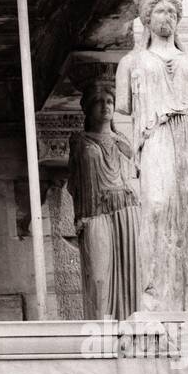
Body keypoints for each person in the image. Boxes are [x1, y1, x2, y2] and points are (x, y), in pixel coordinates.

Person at [114, 0, 188, 311]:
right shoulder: (131, 62)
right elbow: (124, 106)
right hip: (154, 134)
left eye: (173, 12)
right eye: (161, 11)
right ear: (146, 18)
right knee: (156, 206)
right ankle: (154, 297)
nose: (167, 17)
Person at [68, 74, 141, 320]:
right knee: (99, 277)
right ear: (88, 108)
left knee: (129, 272)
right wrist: (80, 216)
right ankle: (100, 330)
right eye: (99, 101)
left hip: (126, 209)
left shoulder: (124, 142)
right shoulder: (79, 141)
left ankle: (128, 327)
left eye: (110, 100)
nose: (106, 106)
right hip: (95, 212)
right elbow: (73, 183)